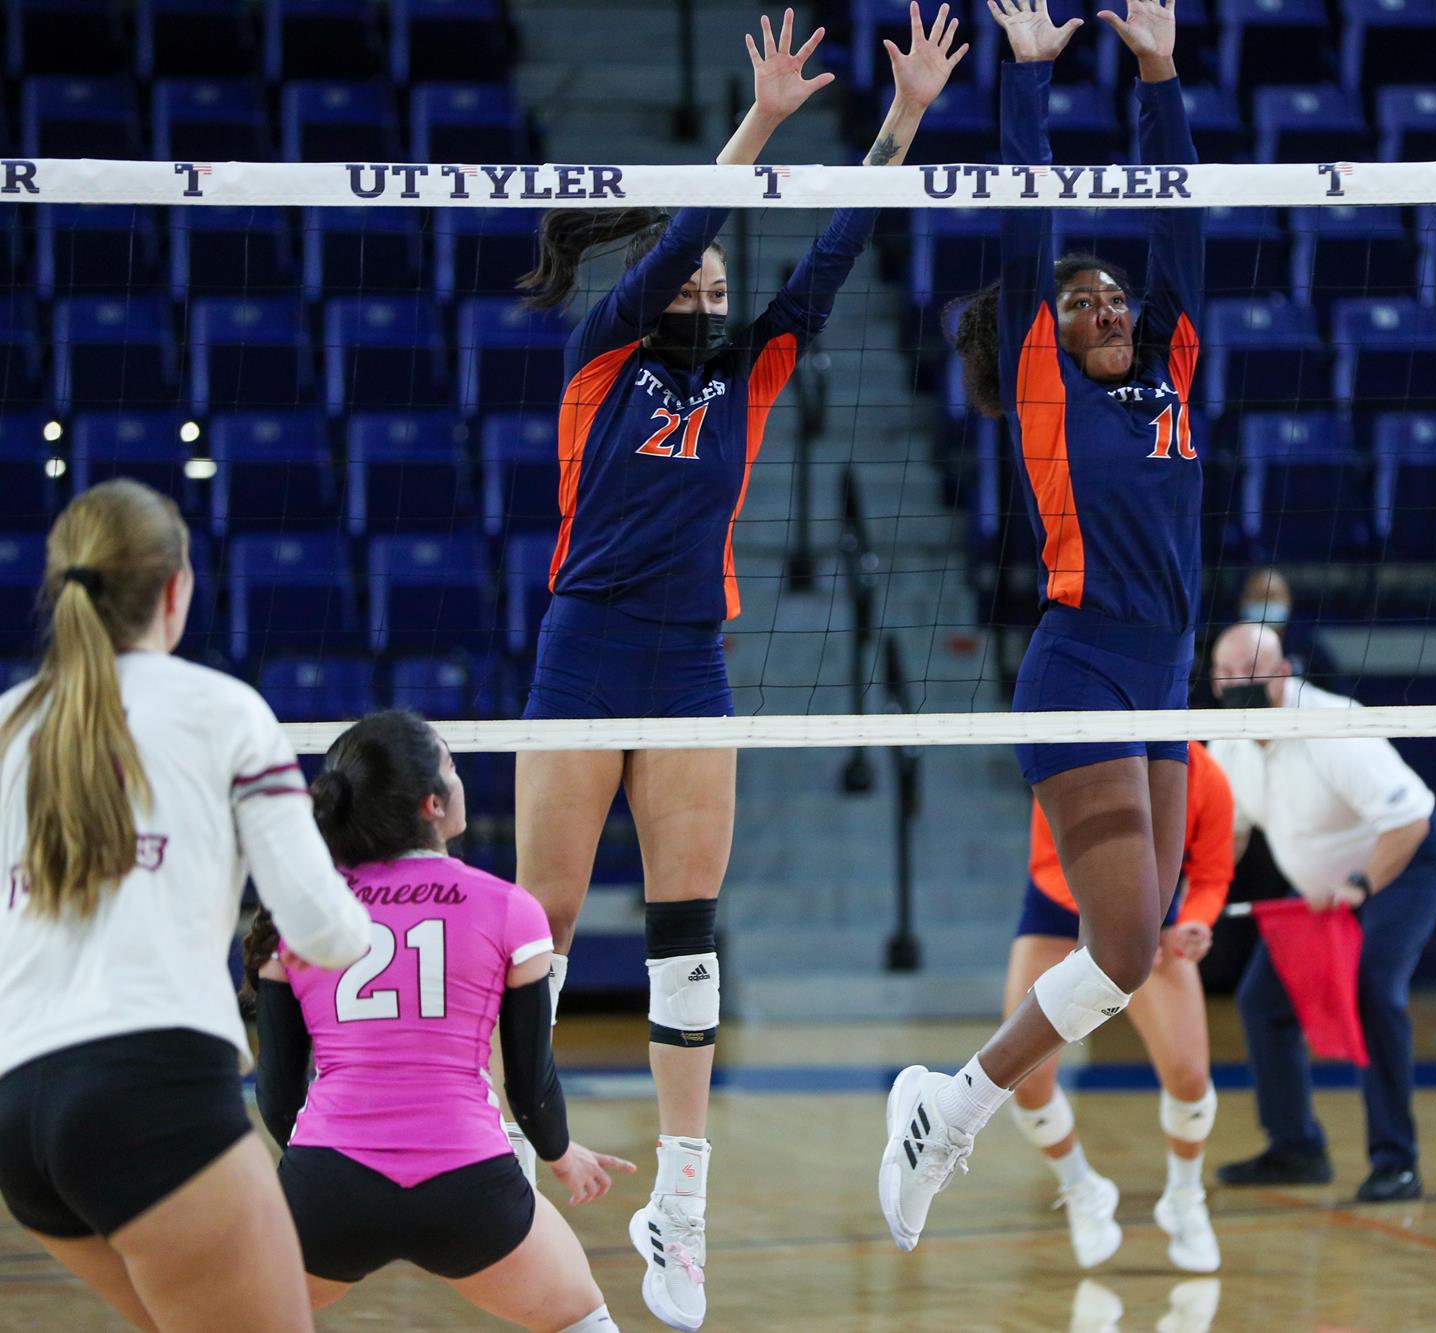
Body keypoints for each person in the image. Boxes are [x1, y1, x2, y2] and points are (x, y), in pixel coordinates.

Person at [510, 8, 964, 1320]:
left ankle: (682, 1208)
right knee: (534, 922)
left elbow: (833, 252)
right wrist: (762, 121)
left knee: (685, 941)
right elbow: (693, 235)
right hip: (584, 654)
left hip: (691, 661)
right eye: (691, 289)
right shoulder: (604, 356)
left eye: (716, 294)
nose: (705, 299)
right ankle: (503, 1138)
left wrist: (903, 123)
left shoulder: (751, 377)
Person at [878, 0, 1205, 1252]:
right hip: (1079, 667)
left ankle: (946, 1103)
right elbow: (1032, 228)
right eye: (1081, 303)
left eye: (1114, 296)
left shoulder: (1174, 358)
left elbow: (1173, 219)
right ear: (1047, 334)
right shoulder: (1041, 388)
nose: (1108, 306)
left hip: (1166, 679)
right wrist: (1026, 84)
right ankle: (951, 1109)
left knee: (1128, 951)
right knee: (1122, 940)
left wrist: (1160, 71)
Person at [0, 480, 372, 1332]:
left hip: (19, 1117)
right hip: (152, 1097)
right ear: (176, 590)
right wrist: (382, 908)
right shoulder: (225, 710)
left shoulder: (8, 727)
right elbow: (319, 927)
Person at [244, 710, 636, 1332]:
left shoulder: (301, 913)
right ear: (432, 805)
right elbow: (530, 1089)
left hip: (329, 1186)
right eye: (452, 768)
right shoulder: (510, 908)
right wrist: (560, 1156)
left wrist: (328, 1169)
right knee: (582, 1318)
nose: (459, 780)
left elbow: (277, 1097)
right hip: (469, 1186)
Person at [1206, 623, 1436, 1202]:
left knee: (1373, 987)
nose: (1239, 683)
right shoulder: (1227, 742)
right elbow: (1232, 836)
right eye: (1228, 674)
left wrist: (1359, 884)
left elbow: (1410, 823)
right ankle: (1296, 1148)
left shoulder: (1332, 726)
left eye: (1253, 671)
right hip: (1323, 890)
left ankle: (1397, 1161)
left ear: (1284, 672)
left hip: (1403, 862)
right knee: (1263, 1002)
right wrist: (1197, 899)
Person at [1005, 740, 1233, 1273]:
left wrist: (1198, 918)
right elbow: (1050, 859)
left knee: (1189, 1075)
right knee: (1026, 1081)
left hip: (1152, 921)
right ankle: (1081, 1188)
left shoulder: (1205, 775)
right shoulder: (1076, 758)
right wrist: (1115, 928)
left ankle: (1184, 1198)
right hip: (1062, 910)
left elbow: (1214, 872)